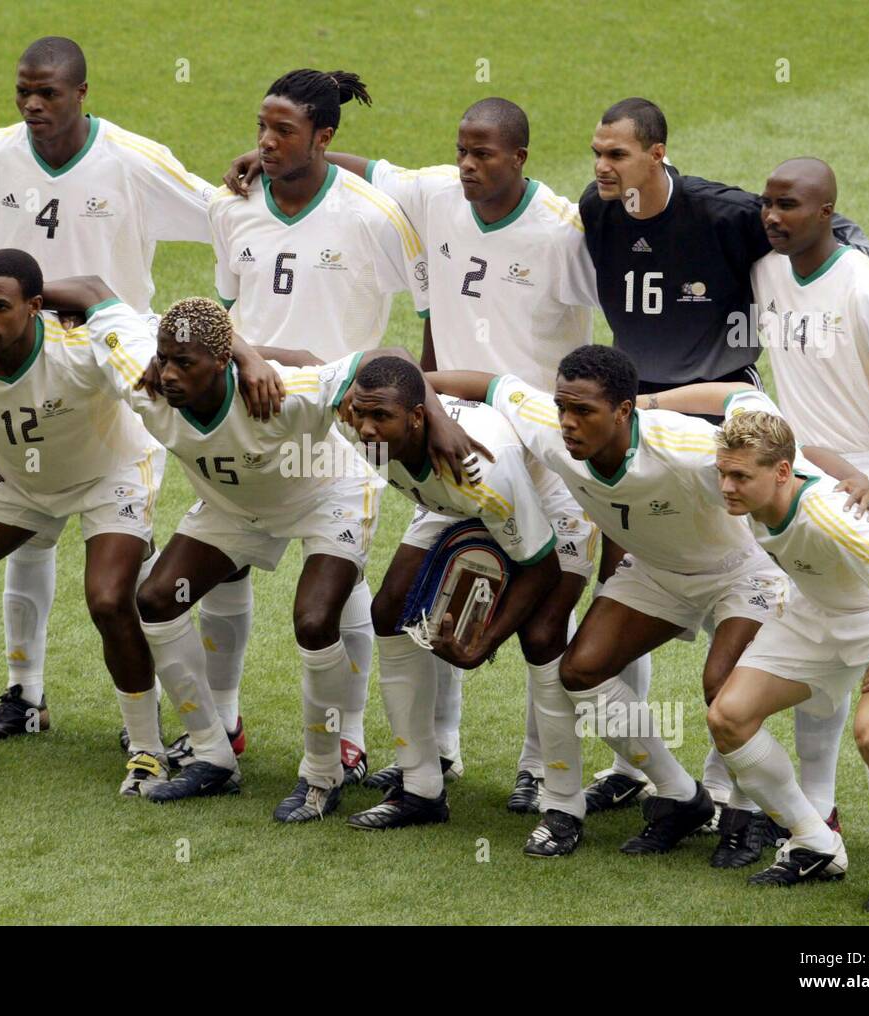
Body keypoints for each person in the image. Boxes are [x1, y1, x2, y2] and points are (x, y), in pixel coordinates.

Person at [224, 96, 604, 809]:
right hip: (441, 432)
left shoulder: (560, 233)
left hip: (535, 455)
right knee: (399, 607)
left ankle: (545, 775)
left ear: (520, 158)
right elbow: (364, 167)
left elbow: (612, 332)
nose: (467, 165)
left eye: (483, 154)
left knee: (545, 625)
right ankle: (425, 775)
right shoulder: (437, 194)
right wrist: (280, 158)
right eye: (461, 149)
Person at [574, 96, 869, 819]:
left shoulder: (720, 213)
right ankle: (653, 777)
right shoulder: (597, 212)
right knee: (620, 576)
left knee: (749, 588)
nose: (602, 166)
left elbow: (825, 223)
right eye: (597, 152)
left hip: (719, 413)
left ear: (657, 155)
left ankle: (741, 790)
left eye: (617, 154)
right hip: (634, 418)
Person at [429, 347, 869, 861]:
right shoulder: (549, 427)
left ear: (623, 411)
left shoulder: (685, 447)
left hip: (740, 571)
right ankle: (681, 796)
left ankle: (754, 815)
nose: (568, 424)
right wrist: (422, 393)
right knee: (581, 671)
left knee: (725, 689)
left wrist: (849, 478)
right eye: (562, 407)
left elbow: (773, 442)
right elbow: (491, 382)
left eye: (584, 412)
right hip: (657, 572)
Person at [0, 36, 216, 742]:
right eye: (23, 92)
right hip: (20, 364)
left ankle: (189, 727)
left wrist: (265, 178)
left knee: (113, 587)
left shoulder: (131, 160)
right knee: (28, 537)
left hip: (104, 378)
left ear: (81, 93)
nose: (33, 105)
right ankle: (24, 694)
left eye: (48, 93)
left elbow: (219, 215)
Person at [78, 287, 480, 814]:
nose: (169, 374)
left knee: (314, 621)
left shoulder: (283, 392)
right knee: (155, 599)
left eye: (184, 363)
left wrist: (442, 419)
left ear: (221, 364)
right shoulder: (143, 378)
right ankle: (211, 756)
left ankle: (321, 774)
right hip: (232, 507)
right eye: (164, 359)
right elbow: (90, 292)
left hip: (326, 496)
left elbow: (390, 360)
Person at [0, 250, 265, 773]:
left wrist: (249, 358)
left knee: (110, 600)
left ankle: (146, 750)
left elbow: (189, 332)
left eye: (0, 306)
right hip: (21, 479)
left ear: (36, 307)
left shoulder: (83, 346)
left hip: (110, 474)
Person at [189, 68, 429, 786]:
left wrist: (418, 413)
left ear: (324, 137)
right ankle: (223, 722)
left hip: (340, 429)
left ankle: (346, 742)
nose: (264, 141)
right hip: (251, 422)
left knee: (337, 582)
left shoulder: (372, 214)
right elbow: (226, 314)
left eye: (283, 130)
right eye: (261, 126)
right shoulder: (232, 209)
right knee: (225, 563)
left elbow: (430, 317)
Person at [752, 156, 869, 872]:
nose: (773, 217)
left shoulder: (865, 289)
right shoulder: (767, 268)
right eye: (768, 204)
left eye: (790, 206)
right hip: (799, 482)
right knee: (819, 649)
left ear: (827, 210)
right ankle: (817, 822)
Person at [702, 408, 869, 913]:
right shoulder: (765, 474)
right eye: (722, 473)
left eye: (739, 477)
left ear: (779, 474)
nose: (726, 486)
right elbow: (806, 449)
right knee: (728, 718)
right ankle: (815, 842)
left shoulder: (832, 519)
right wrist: (854, 474)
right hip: (814, 614)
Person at [335, 355, 573, 830]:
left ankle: (561, 800)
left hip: (545, 497)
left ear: (416, 417)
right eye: (361, 414)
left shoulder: (482, 467)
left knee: (543, 636)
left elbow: (541, 567)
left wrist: (486, 643)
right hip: (448, 496)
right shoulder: (358, 421)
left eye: (380, 417)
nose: (366, 428)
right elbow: (391, 359)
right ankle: (421, 786)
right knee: (389, 610)